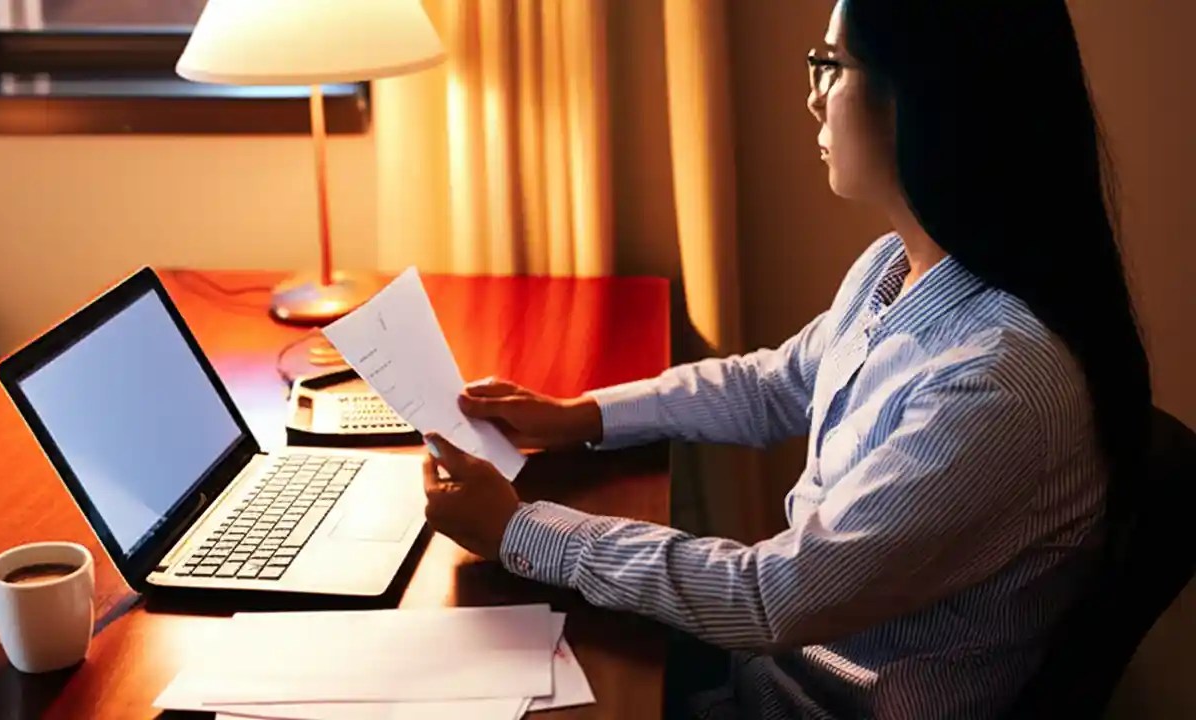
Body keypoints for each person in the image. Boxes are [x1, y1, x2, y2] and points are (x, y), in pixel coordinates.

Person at [420, 0, 1152, 717]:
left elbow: (774, 597)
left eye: (831, 66)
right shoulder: (897, 269)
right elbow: (772, 384)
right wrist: (579, 415)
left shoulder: (992, 384)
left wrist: (521, 531)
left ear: (924, 97)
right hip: (773, 671)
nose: (812, 97)